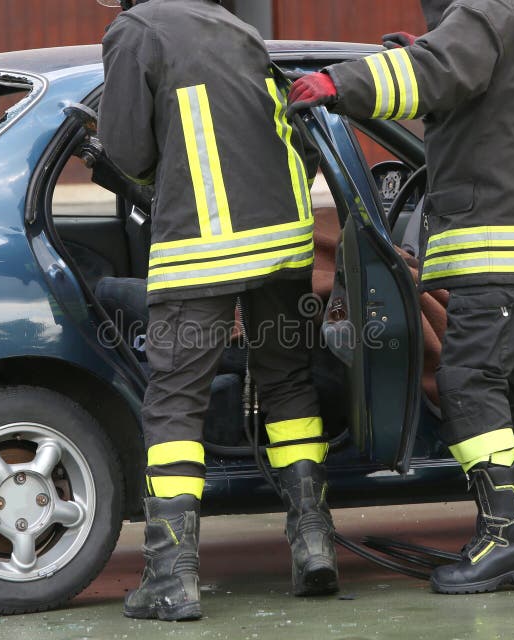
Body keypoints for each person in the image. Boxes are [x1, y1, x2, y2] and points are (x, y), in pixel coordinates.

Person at [288, 0, 514, 594]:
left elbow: (434, 74)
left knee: (468, 381)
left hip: (501, 240)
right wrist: (422, 49)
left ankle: (505, 537)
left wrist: (336, 82)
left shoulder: (483, 9)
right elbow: (475, 84)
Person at [97, 0, 338, 621]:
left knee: (176, 399)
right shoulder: (238, 27)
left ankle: (171, 578)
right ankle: (314, 544)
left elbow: (125, 149)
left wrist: (151, 175)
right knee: (288, 384)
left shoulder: (134, 32)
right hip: (285, 239)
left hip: (204, 246)